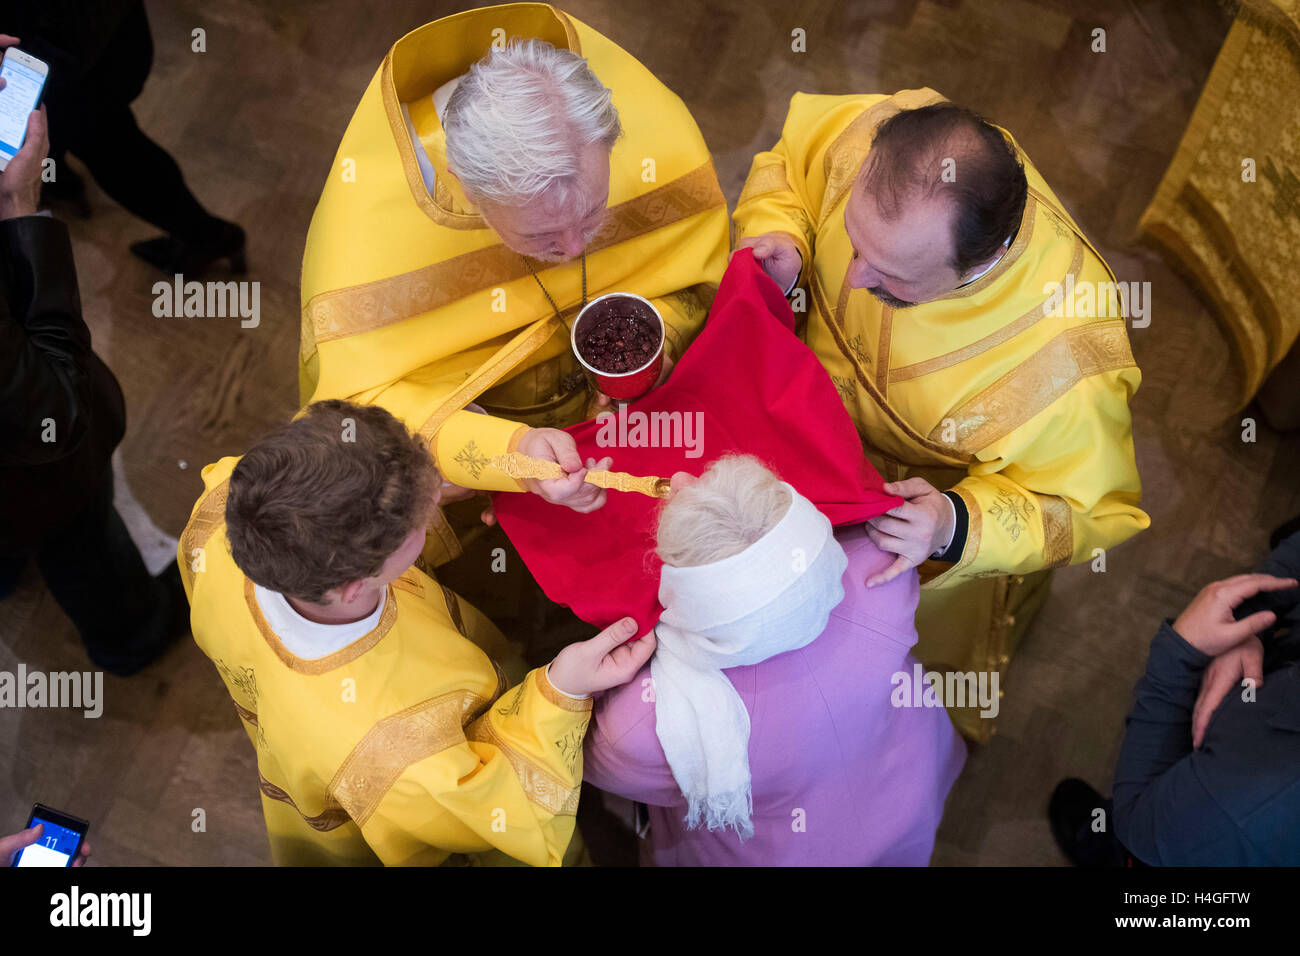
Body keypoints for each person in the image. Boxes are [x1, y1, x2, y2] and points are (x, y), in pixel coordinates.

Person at [734, 94, 1149, 739]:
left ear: (972, 270)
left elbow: (1090, 510)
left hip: (913, 524)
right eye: (852, 238)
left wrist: (955, 523)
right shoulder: (886, 139)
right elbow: (789, 167)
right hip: (795, 435)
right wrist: (787, 238)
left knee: (884, 673)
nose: (853, 273)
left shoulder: (1068, 363)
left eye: (894, 277)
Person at [299, 4, 729, 571]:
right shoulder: (364, 236)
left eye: (594, 213)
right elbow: (362, 413)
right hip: (491, 464)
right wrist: (508, 453)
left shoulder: (650, 133)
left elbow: (696, 273)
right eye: (543, 234)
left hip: (639, 419)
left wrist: (659, 340)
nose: (575, 248)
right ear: (466, 187)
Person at [181, 400, 654, 865]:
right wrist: (560, 689)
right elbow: (502, 810)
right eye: (418, 518)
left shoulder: (222, 510)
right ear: (353, 587)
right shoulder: (391, 754)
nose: (434, 496)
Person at [582, 455, 966, 865]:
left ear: (687, 589)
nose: (678, 479)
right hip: (905, 782)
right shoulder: (878, 565)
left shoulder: (644, 723)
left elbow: (585, 765)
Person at [0, 53, 185, 676]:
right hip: (31, 478)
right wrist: (23, 214)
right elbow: (56, 410)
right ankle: (135, 637)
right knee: (81, 542)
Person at [1050, 526, 1300, 866]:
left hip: (1178, 830)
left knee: (1136, 835)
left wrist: (1181, 653)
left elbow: (1137, 823)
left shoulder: (1244, 814)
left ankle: (1104, 846)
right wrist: (1253, 615)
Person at [7, 1, 245, 274]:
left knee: (115, 153)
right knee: (67, 135)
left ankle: (209, 236)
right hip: (89, 49)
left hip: (74, 66)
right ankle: (61, 183)